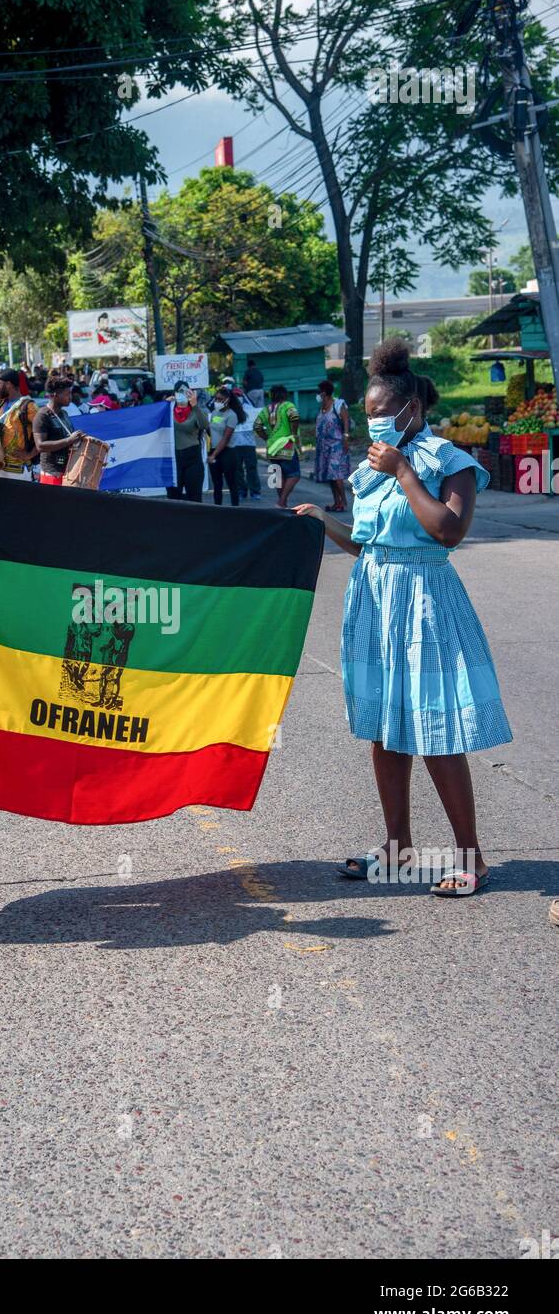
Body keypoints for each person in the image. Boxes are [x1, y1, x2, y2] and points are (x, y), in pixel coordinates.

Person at [293, 339, 511, 897]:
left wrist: (405, 472)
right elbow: (365, 545)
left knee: (435, 728)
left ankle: (473, 858)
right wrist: (323, 520)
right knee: (385, 731)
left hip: (425, 599)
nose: (375, 428)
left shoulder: (450, 462)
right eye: (368, 418)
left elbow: (448, 531)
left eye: (384, 416)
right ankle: (397, 848)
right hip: (376, 596)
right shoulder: (369, 471)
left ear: (413, 410)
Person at [32, 374, 85, 485]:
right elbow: (40, 446)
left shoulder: (64, 413)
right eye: (67, 394)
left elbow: (69, 438)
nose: (70, 397)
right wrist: (69, 440)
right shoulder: (42, 415)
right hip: (51, 473)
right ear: (55, 395)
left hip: (66, 471)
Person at [255, 385, 301, 508]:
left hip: (272, 448)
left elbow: (257, 426)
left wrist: (267, 438)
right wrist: (294, 433)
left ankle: (282, 503)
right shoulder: (288, 406)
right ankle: (281, 502)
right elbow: (295, 417)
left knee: (278, 475)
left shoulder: (266, 410)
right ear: (285, 394)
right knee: (294, 475)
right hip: (286, 445)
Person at [0, 369, 38, 479]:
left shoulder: (28, 405)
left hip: (18, 471)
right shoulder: (3, 403)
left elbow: (45, 431)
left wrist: (30, 454)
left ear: (8, 384)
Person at [314, 378, 351, 512]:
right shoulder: (322, 407)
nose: (317, 395)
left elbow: (346, 420)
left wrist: (346, 437)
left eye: (319, 392)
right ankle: (337, 502)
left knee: (336, 475)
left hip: (337, 445)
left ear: (324, 393)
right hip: (324, 447)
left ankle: (344, 502)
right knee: (330, 476)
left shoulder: (338, 404)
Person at [166, 382, 207, 503]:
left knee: (194, 497)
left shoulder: (194, 410)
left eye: (184, 391)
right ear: (174, 393)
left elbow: (204, 425)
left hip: (192, 457)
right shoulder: (169, 409)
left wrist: (195, 405)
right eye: (179, 391)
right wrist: (165, 404)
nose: (181, 394)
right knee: (173, 497)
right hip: (174, 458)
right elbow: (152, 421)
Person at [207, 386, 241, 507]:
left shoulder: (232, 415)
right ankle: (217, 509)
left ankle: (235, 509)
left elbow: (226, 438)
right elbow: (211, 430)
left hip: (227, 453)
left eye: (220, 399)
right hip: (213, 451)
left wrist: (214, 454)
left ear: (227, 400)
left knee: (232, 484)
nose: (217, 401)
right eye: (216, 399)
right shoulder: (214, 413)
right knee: (217, 484)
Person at [231, 400, 261, 501]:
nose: (238, 398)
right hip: (234, 444)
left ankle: (255, 491)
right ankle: (241, 490)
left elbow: (257, 422)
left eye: (239, 396)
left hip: (249, 444)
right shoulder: (229, 408)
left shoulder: (249, 408)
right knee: (237, 469)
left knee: (251, 468)